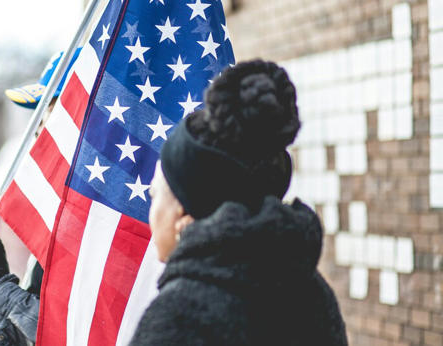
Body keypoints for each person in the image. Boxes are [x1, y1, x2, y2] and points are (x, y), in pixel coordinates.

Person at [129, 60, 347, 345]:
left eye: (155, 194)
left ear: (183, 215)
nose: (150, 205)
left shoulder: (180, 317)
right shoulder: (315, 295)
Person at [0, 50, 81, 346]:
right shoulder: (68, 210)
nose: (37, 134)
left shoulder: (108, 222)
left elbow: (80, 335)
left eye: (49, 116)